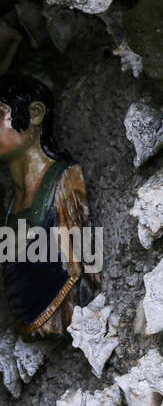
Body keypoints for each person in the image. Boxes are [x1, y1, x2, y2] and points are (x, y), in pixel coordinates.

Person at [0, 74, 98, 337]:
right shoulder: (12, 204)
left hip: (61, 316)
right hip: (28, 320)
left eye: (0, 113)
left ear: (34, 113)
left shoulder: (65, 179)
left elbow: (86, 265)